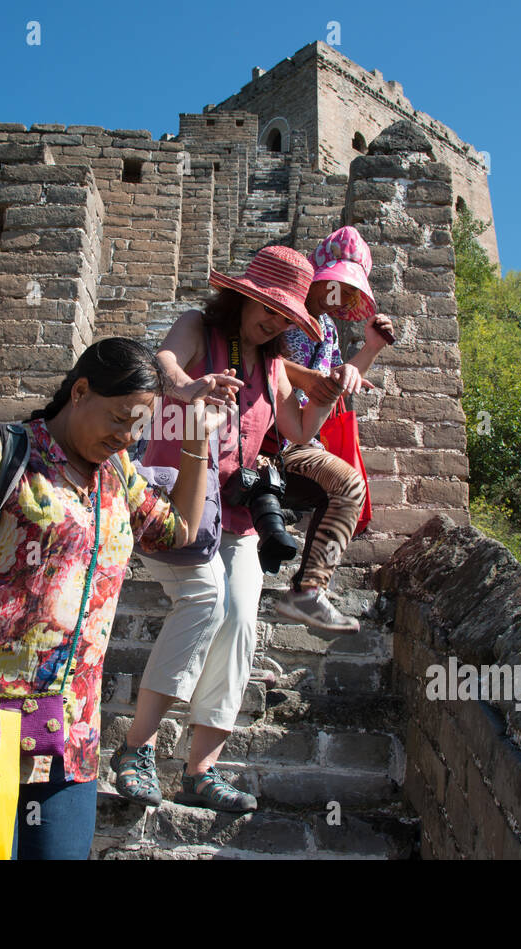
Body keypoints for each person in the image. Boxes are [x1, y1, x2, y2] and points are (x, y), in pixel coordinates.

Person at [0, 337, 223, 859]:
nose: (126, 437)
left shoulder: (118, 474)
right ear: (79, 392)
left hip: (70, 734)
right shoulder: (5, 454)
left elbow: (179, 531)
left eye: (139, 427)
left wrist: (196, 440)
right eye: (119, 419)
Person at [111, 246, 340, 813]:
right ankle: (136, 748)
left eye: (286, 315)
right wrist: (185, 388)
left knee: (240, 621)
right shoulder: (199, 327)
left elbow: (297, 429)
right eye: (267, 307)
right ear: (241, 297)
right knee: (205, 598)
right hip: (175, 503)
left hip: (236, 515)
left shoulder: (274, 365)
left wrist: (326, 399)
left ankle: (201, 772)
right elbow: (163, 362)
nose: (274, 321)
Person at [271, 225, 395, 633]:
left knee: (347, 488)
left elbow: (334, 381)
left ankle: (309, 588)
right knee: (347, 485)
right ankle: (306, 591)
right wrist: (312, 379)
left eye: (349, 289)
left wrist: (371, 347)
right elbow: (257, 358)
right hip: (266, 431)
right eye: (337, 284)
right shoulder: (280, 308)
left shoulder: (326, 329)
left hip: (302, 437)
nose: (340, 294)